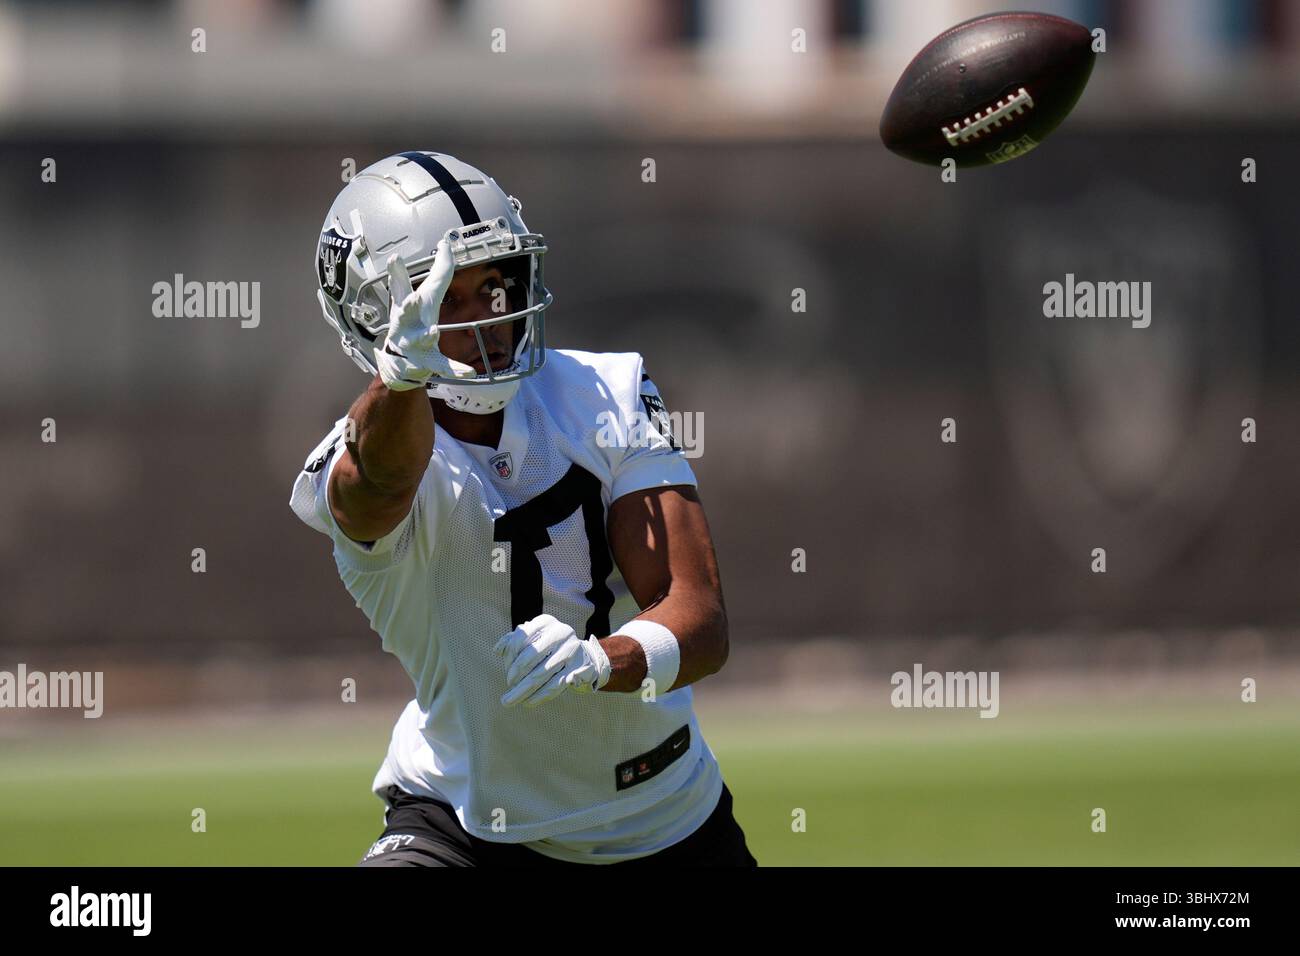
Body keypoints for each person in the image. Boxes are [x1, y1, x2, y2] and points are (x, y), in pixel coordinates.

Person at [290, 151, 756, 866]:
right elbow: (375, 490)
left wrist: (606, 659)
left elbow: (699, 616)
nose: (490, 318)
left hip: (660, 818)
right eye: (446, 297)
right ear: (377, 317)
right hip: (463, 819)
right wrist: (403, 380)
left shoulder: (605, 392)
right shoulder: (362, 460)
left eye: (497, 283)